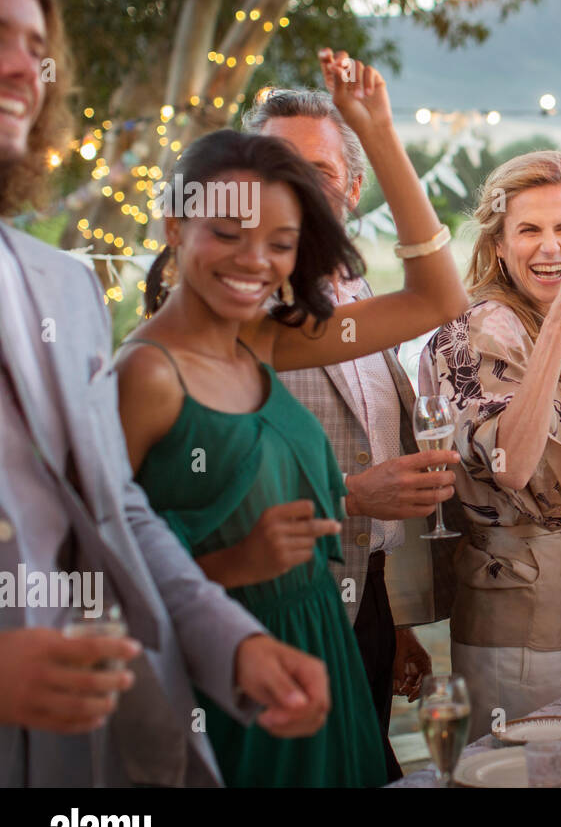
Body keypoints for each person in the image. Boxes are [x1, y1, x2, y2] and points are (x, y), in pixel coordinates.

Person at [0, 0, 330, 788]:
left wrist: (234, 639)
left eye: (36, 50)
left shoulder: (65, 287)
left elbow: (120, 516)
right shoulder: (149, 361)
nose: (19, 68)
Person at [114, 50, 468, 785]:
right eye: (230, 232)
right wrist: (238, 562)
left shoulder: (268, 337)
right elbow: (95, 570)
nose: (257, 261)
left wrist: (378, 131)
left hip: (325, 645)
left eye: (279, 241)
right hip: (237, 666)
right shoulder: (144, 374)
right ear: (176, 225)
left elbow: (437, 299)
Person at [244, 87, 456, 783]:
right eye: (278, 168)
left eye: (319, 170)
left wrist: (391, 619)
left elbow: (439, 301)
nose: (299, 188)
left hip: (362, 598)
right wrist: (354, 495)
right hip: (277, 607)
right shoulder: (246, 312)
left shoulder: (354, 296)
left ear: (353, 185)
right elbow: (207, 489)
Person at [418, 151, 561, 739]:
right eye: (529, 230)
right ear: (499, 244)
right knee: (527, 768)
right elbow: (512, 468)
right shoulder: (475, 328)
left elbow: (546, 450)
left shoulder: (538, 317)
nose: (550, 247)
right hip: (516, 610)